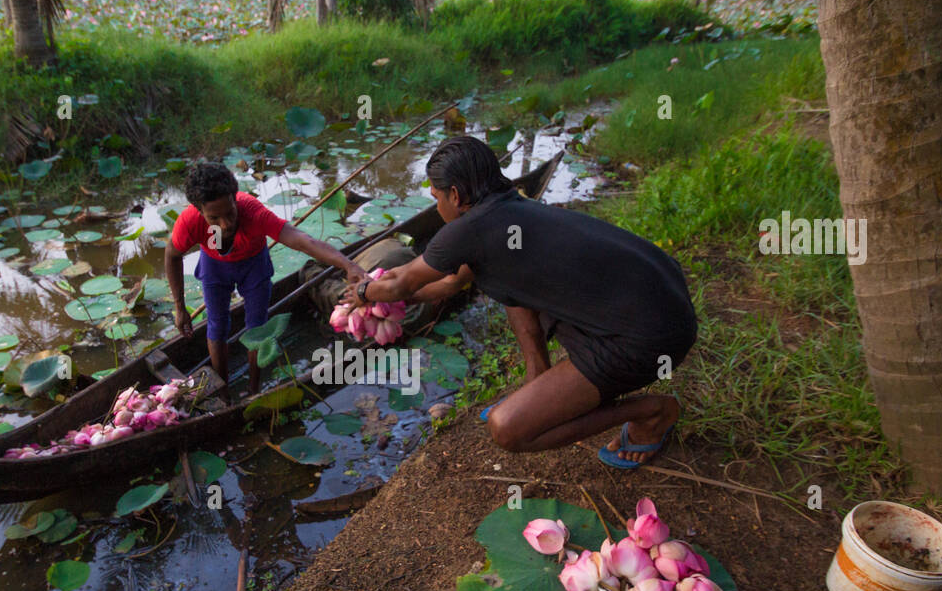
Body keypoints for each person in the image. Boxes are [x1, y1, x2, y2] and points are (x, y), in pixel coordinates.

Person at [342, 135, 697, 468]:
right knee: (507, 281)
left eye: (436, 198)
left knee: (508, 429)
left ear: (454, 194)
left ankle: (651, 411)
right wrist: (395, 300)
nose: (437, 207)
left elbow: (401, 282)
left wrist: (363, 293)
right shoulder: (511, 208)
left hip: (643, 339)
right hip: (664, 303)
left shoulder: (467, 230)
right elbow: (451, 282)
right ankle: (537, 378)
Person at [166, 162, 366, 398]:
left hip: (253, 264)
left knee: (258, 326)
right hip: (215, 266)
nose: (225, 224)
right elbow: (172, 255)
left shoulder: (252, 212)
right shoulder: (190, 222)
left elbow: (303, 241)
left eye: (230, 213)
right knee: (217, 326)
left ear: (235, 198)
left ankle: (254, 388)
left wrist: (347, 264)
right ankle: (223, 391)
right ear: (199, 211)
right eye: (214, 218)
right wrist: (179, 307)